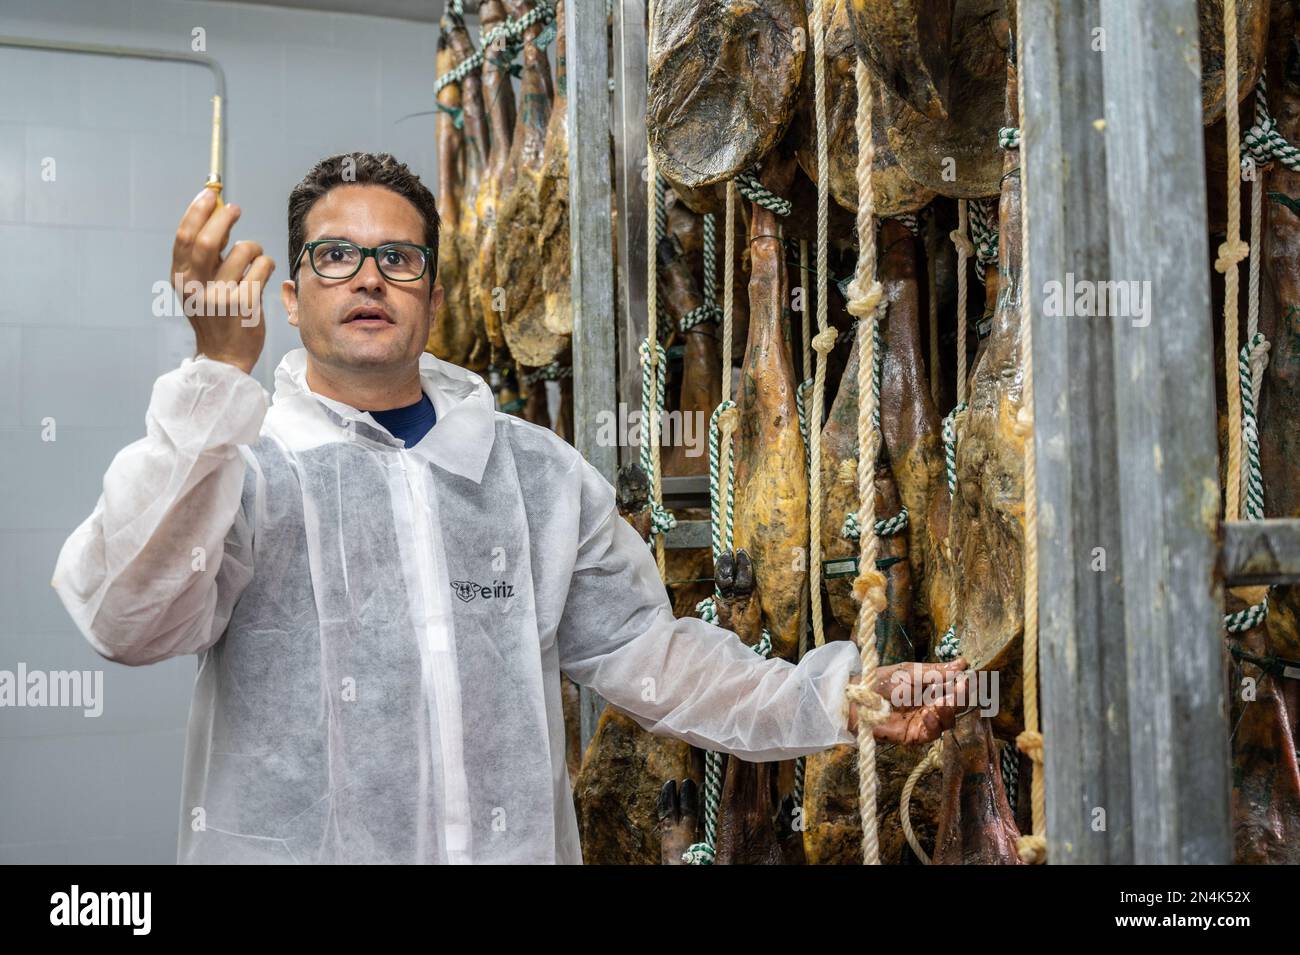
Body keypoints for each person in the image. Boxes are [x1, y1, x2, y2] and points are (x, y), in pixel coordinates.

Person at [51, 152, 965, 864]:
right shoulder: (239, 468)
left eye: (398, 258)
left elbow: (656, 658)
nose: (368, 278)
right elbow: (121, 617)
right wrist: (215, 369)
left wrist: (835, 697)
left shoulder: (531, 474)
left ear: (433, 297)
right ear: (291, 299)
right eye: (335, 257)